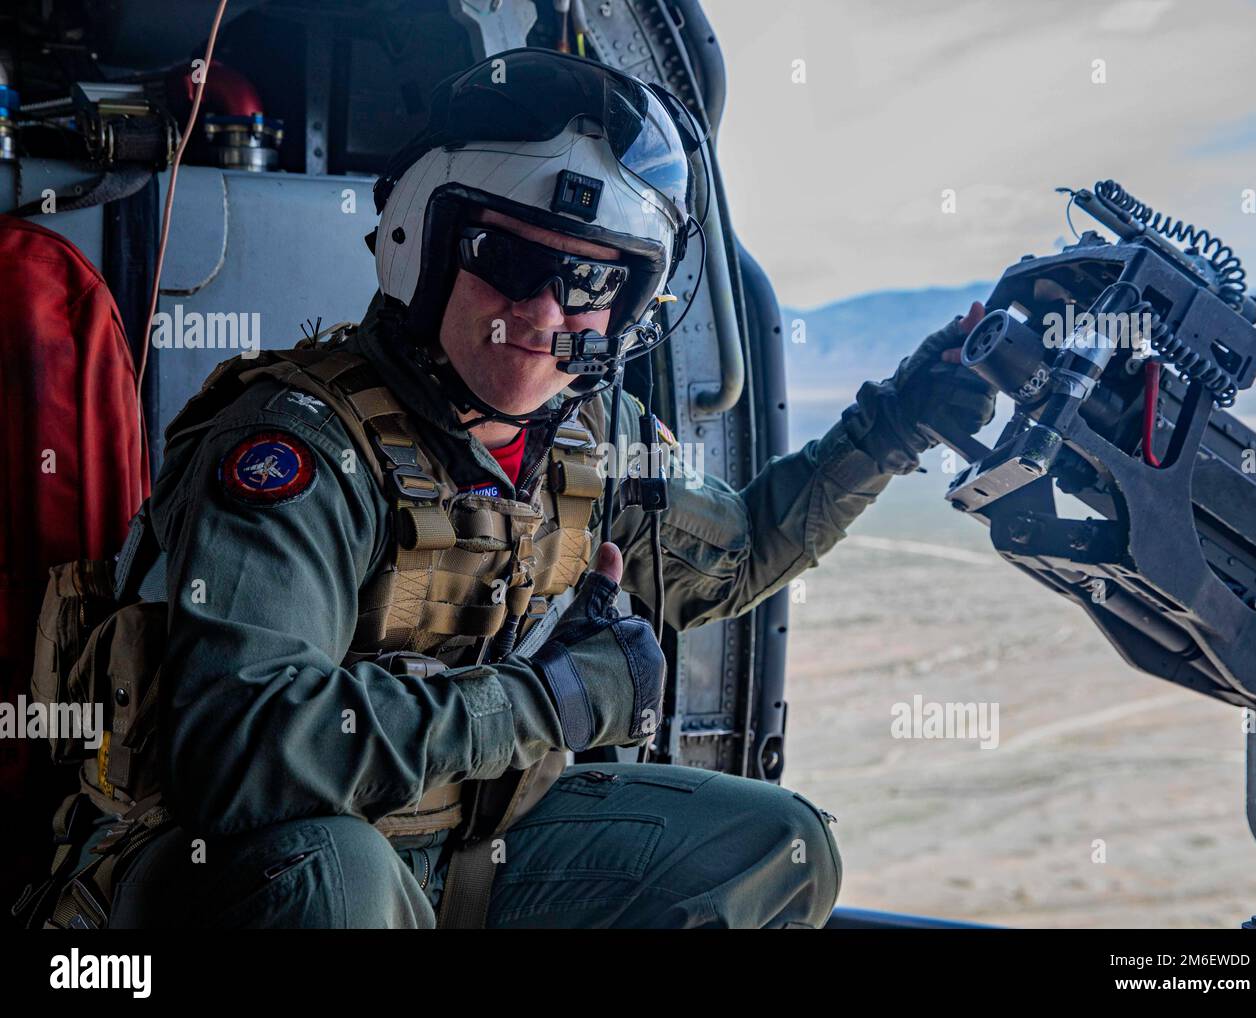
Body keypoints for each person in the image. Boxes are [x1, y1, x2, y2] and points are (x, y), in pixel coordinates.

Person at [48, 48, 996, 929]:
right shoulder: (295, 447)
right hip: (236, 873)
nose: (543, 314)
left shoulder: (595, 440)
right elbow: (244, 752)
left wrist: (892, 427)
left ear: (628, 307)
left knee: (776, 847)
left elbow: (736, 556)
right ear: (426, 245)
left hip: (466, 848)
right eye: (507, 261)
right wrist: (543, 703)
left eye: (588, 279)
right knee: (331, 874)